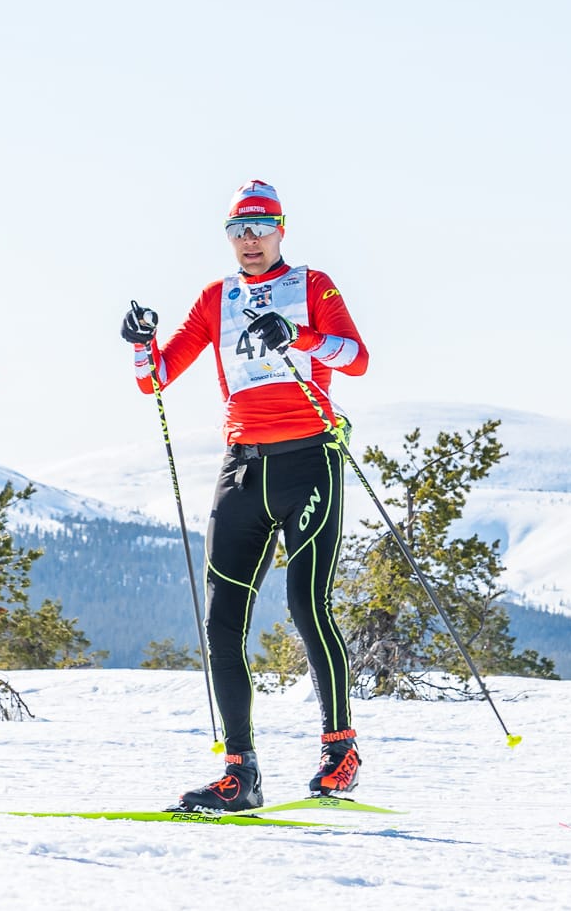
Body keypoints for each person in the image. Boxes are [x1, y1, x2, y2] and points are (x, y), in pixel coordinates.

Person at [121, 180, 370, 812]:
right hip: (242, 469)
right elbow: (157, 379)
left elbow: (356, 358)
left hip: (309, 461)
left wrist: (300, 336)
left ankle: (340, 752)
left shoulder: (313, 286)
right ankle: (241, 773)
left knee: (307, 605)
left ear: (282, 230)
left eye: (260, 229)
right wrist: (140, 345)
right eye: (238, 231)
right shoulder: (216, 298)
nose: (249, 241)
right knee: (221, 621)